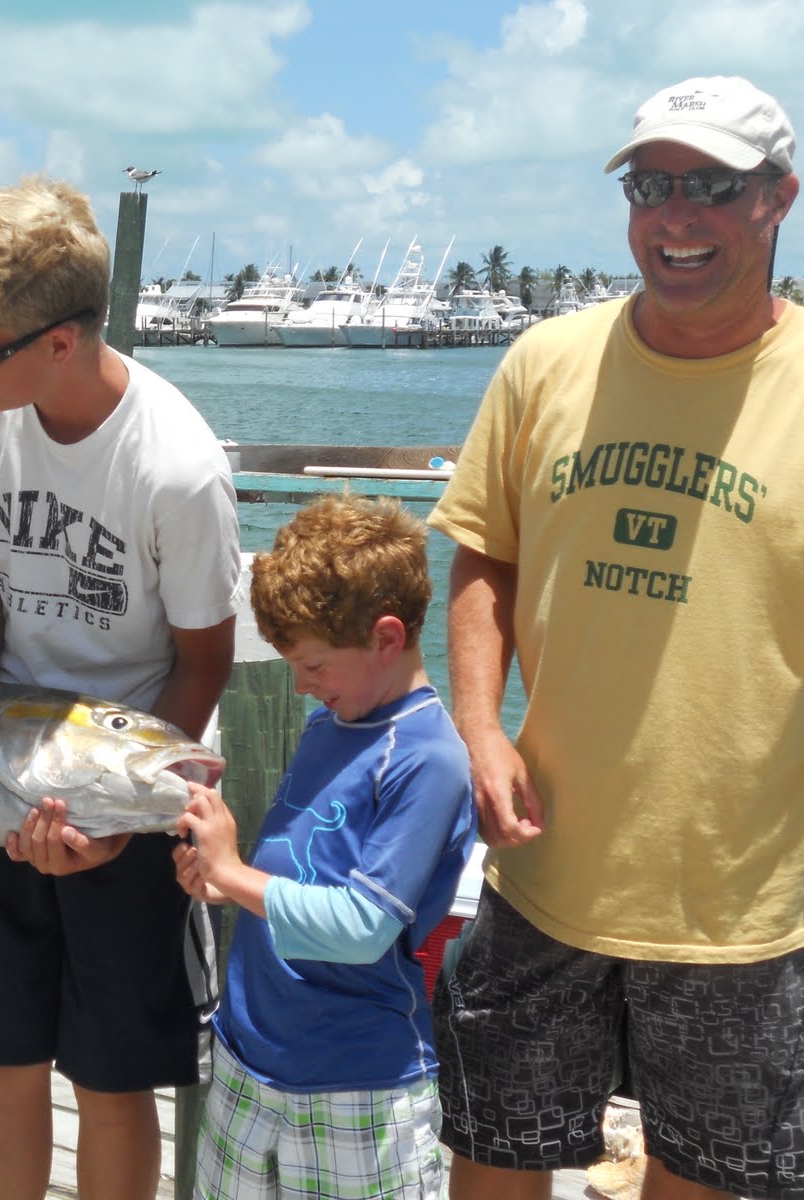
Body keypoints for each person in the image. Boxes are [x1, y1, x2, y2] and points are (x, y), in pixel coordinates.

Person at [428, 75, 804, 1200]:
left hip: (741, 899)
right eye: (651, 185)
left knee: (701, 1178)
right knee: (493, 1151)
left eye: (711, 187)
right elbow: (482, 553)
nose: (674, 216)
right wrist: (476, 728)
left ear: (777, 199)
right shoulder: (544, 362)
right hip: (542, 861)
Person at [0, 177, 241, 1200]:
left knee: (111, 1072)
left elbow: (203, 659)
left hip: (130, 782)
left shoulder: (174, 465)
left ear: (60, 341)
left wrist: (120, 824)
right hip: (1, 760)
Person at [172, 492, 475, 1200]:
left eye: (313, 665)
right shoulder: (328, 726)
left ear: (387, 638)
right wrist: (220, 881)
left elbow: (364, 928)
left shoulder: (427, 757)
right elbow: (295, 869)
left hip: (356, 1088)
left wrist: (232, 870)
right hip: (251, 1060)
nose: (301, 685)